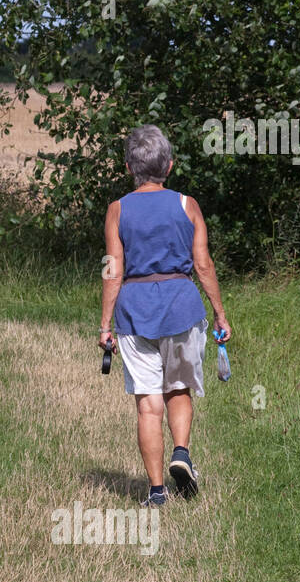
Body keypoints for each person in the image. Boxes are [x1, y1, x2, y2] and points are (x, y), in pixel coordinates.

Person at [99, 125, 231, 507]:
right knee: (179, 390)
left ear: (128, 168)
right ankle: (182, 453)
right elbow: (203, 264)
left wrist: (105, 325)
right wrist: (220, 314)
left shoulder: (118, 209)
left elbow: (113, 269)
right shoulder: (186, 205)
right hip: (181, 307)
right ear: (169, 166)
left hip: (135, 311)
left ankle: (156, 493)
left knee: (147, 403)